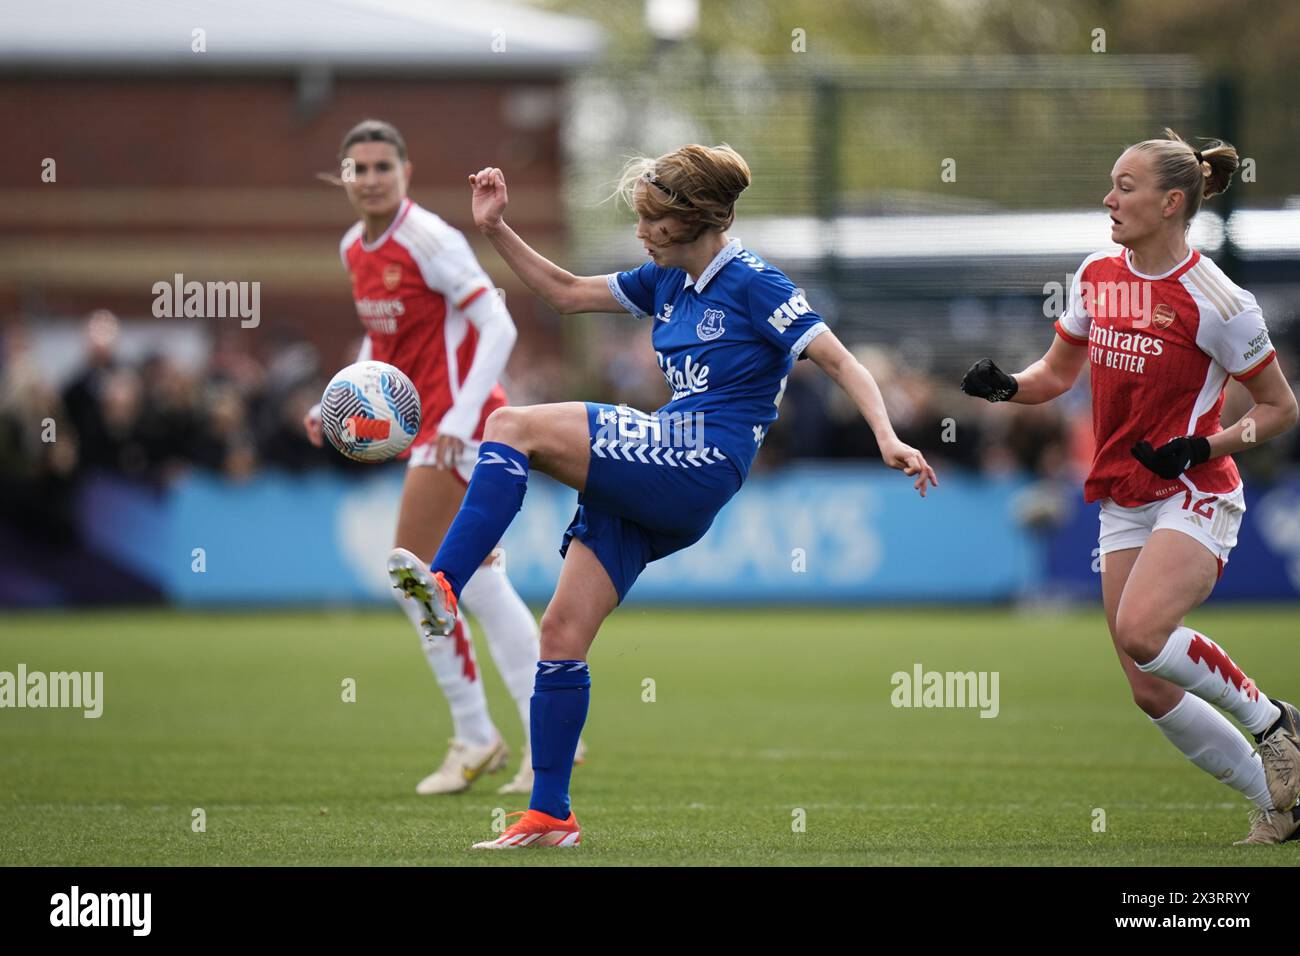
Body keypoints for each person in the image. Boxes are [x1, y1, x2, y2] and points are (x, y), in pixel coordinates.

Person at [386, 143, 938, 848]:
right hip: (657, 469)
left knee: (509, 424)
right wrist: (495, 227)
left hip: (697, 459)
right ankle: (552, 814)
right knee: (561, 635)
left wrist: (887, 435)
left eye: (654, 219)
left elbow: (840, 359)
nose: (642, 230)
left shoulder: (756, 283)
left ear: (700, 219)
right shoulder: (667, 280)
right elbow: (563, 292)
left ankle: (445, 583)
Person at [962, 129, 1300, 845]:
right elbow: (1056, 376)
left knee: (1144, 632)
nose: (1108, 199)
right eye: (1112, 184)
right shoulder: (1095, 274)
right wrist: (1005, 388)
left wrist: (1202, 444)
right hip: (1123, 494)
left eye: (1125, 186)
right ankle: (1286, 806)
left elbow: (1279, 410)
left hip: (1196, 488)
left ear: (1171, 201)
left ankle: (1277, 722)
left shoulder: (1220, 299)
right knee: (1149, 685)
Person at [305, 119, 569, 796]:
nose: (369, 180)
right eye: (357, 169)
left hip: (461, 422)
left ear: (405, 173)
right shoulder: (353, 247)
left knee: (412, 573)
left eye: (381, 168)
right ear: (343, 176)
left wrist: (457, 415)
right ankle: (546, 739)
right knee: (476, 581)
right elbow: (381, 348)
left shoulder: (429, 238)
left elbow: (499, 323)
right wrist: (333, 403)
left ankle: (477, 737)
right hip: (432, 423)